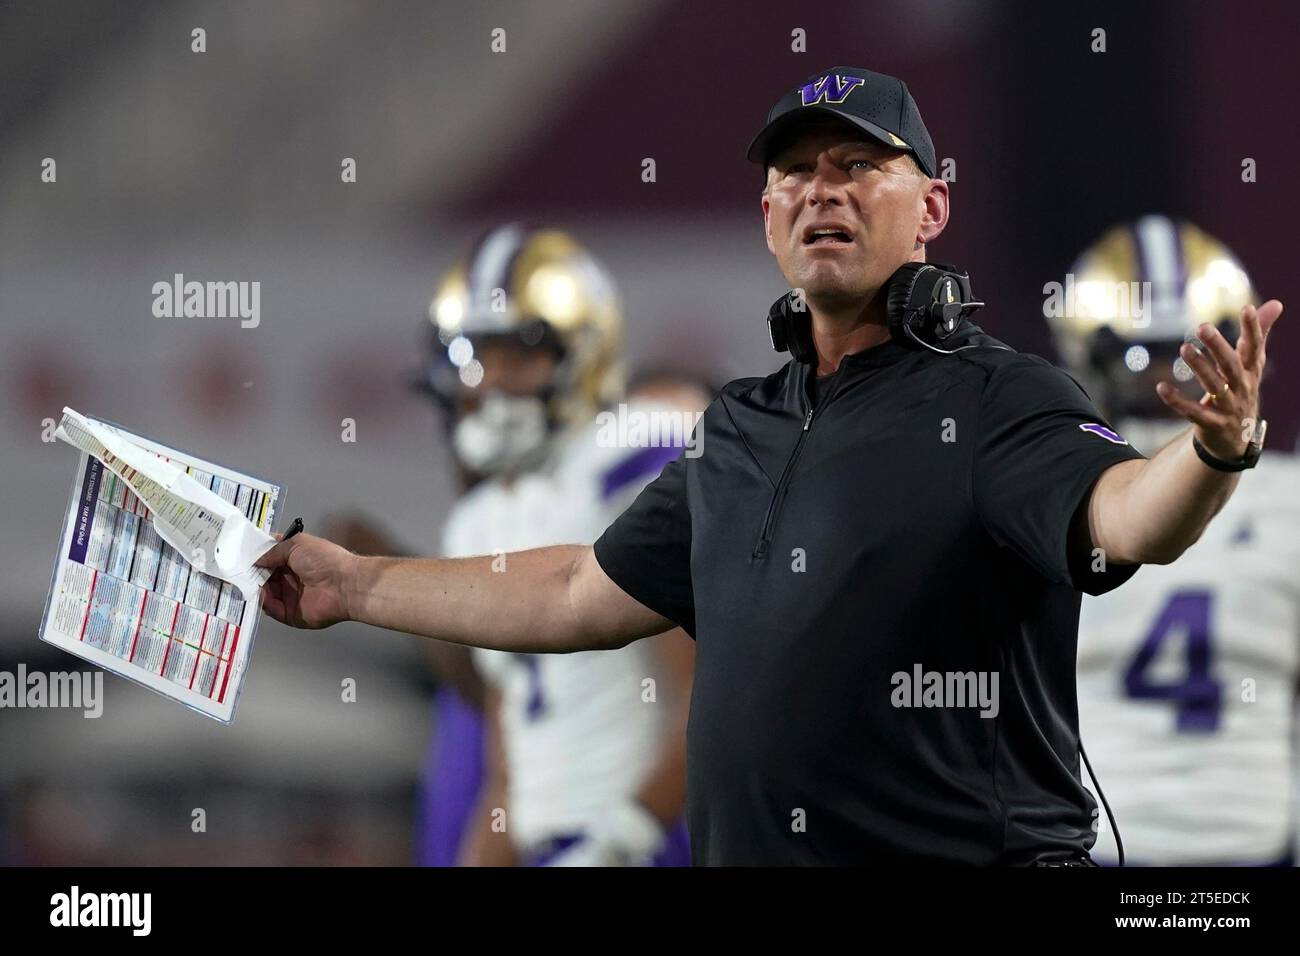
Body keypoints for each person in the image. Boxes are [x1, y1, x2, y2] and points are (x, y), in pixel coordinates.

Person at [257, 67, 1284, 865]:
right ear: (767, 217)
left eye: (856, 165)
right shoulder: (743, 425)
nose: (821, 191)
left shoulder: (995, 397)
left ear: (929, 209)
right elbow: (574, 589)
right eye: (796, 172)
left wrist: (1210, 450)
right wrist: (359, 584)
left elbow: (1126, 517)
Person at [1054, 216, 1300, 865]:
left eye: (1184, 365)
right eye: (1145, 366)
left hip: (1099, 845)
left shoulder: (1051, 492)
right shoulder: (1288, 502)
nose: (1168, 388)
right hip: (1250, 843)